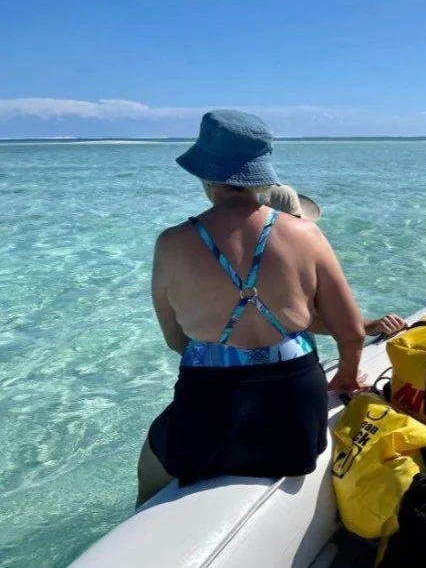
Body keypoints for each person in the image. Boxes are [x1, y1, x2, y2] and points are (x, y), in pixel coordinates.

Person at [137, 110, 366, 507]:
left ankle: (140, 519)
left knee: (151, 458)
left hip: (211, 417)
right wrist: (345, 377)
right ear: (262, 176)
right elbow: (352, 333)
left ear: (206, 175)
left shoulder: (172, 243)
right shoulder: (306, 234)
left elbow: (176, 341)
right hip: (297, 426)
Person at [262, 184, 407, 338]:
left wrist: (371, 326)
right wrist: (368, 327)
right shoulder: (296, 261)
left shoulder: (240, 258)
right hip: (291, 356)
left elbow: (303, 317)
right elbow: (306, 320)